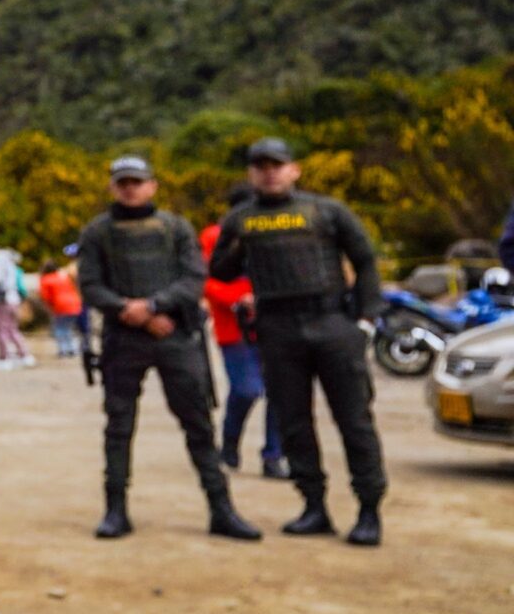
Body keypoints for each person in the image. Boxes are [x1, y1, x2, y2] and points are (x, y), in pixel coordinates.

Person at [208, 138, 387, 546]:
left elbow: (364, 259)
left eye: (277, 164)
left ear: (294, 169)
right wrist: (239, 241)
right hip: (277, 328)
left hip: (331, 321)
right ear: (251, 173)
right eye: (260, 166)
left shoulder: (326, 210)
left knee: (354, 419)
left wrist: (365, 319)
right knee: (293, 421)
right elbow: (220, 268)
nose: (269, 172)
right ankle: (313, 506)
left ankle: (369, 509)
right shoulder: (240, 218)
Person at [75, 156, 258, 543]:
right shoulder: (97, 233)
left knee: (198, 425)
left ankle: (221, 509)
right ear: (112, 186)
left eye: (137, 182)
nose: (130, 188)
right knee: (119, 427)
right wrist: (135, 313)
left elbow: (194, 279)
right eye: (123, 182)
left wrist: (155, 306)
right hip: (124, 339)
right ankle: (115, 510)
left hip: (175, 335)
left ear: (152, 185)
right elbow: (90, 286)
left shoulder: (175, 227)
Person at [202, 206, 288, 480]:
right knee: (247, 389)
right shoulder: (215, 236)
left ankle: (273, 456)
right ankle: (229, 444)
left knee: (279, 393)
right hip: (234, 330)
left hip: (274, 327)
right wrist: (237, 300)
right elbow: (206, 279)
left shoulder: (276, 231)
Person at [0, 238, 32, 368]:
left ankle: (5, 357)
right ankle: (24, 355)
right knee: (12, 329)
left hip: (2, 298)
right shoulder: (7, 258)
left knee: (2, 329)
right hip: (13, 298)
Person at [40, 250, 84, 359]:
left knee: (60, 328)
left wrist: (50, 307)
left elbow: (46, 297)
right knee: (70, 328)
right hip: (75, 304)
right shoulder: (63, 276)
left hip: (61, 306)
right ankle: (72, 349)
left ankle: (64, 350)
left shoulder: (46, 280)